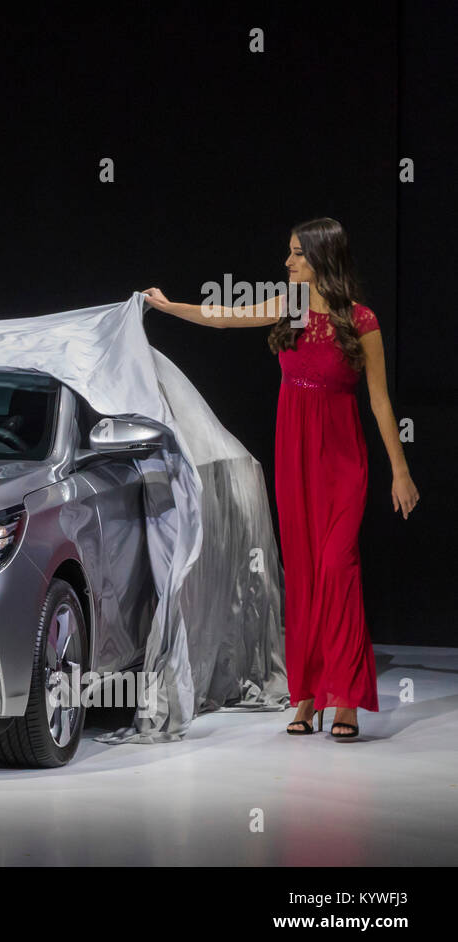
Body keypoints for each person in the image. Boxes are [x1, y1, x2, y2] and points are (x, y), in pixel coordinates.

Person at [143, 217, 420, 741]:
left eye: (296, 254)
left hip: (342, 463)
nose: (288, 263)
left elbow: (380, 402)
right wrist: (168, 306)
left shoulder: (362, 321)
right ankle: (308, 694)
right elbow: (222, 317)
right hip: (295, 460)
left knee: (338, 567)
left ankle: (345, 698)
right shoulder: (290, 309)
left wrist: (399, 472)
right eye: (289, 253)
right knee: (305, 574)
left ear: (321, 257)